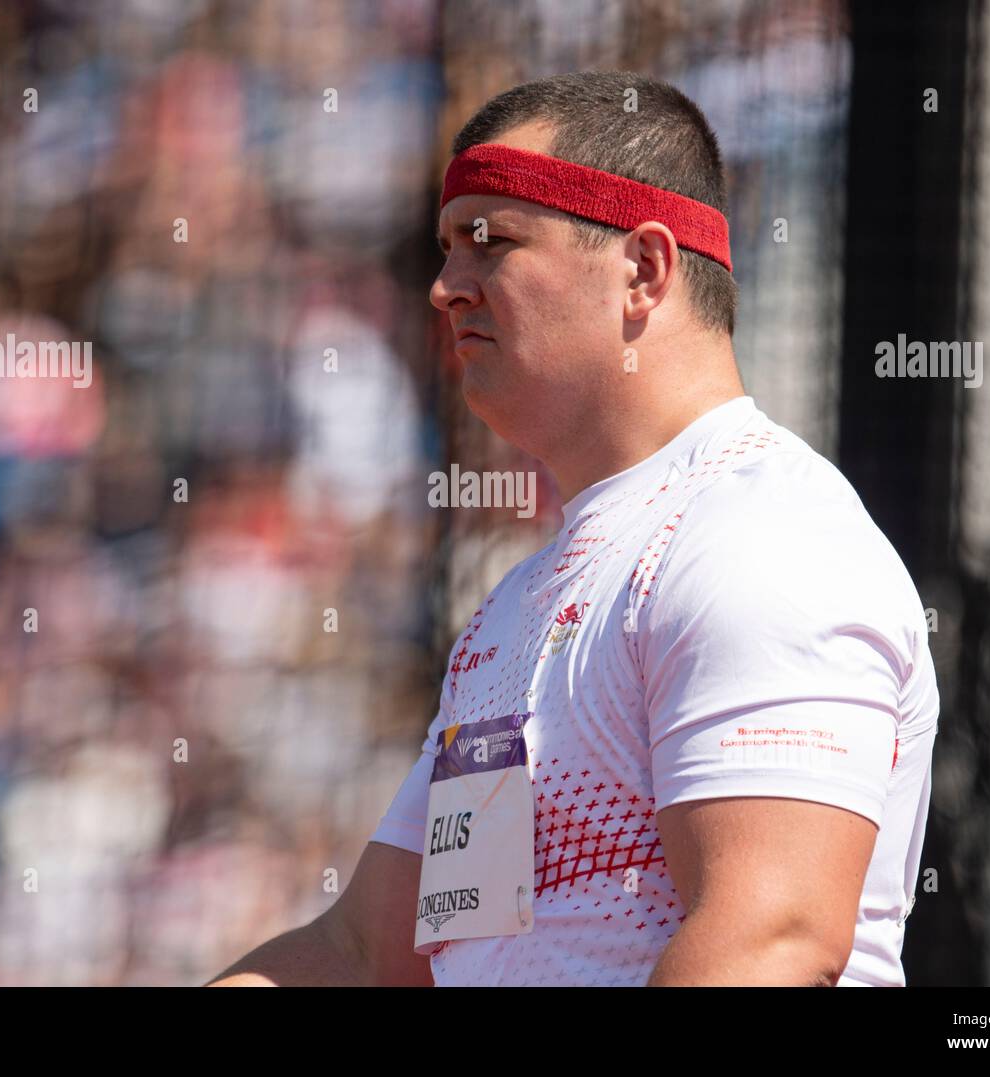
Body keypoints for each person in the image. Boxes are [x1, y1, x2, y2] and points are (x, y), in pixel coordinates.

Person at [209, 70, 938, 988]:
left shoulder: (762, 535)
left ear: (643, 269)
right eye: (445, 249)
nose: (443, 288)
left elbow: (772, 942)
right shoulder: (519, 607)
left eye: (490, 241)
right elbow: (366, 953)